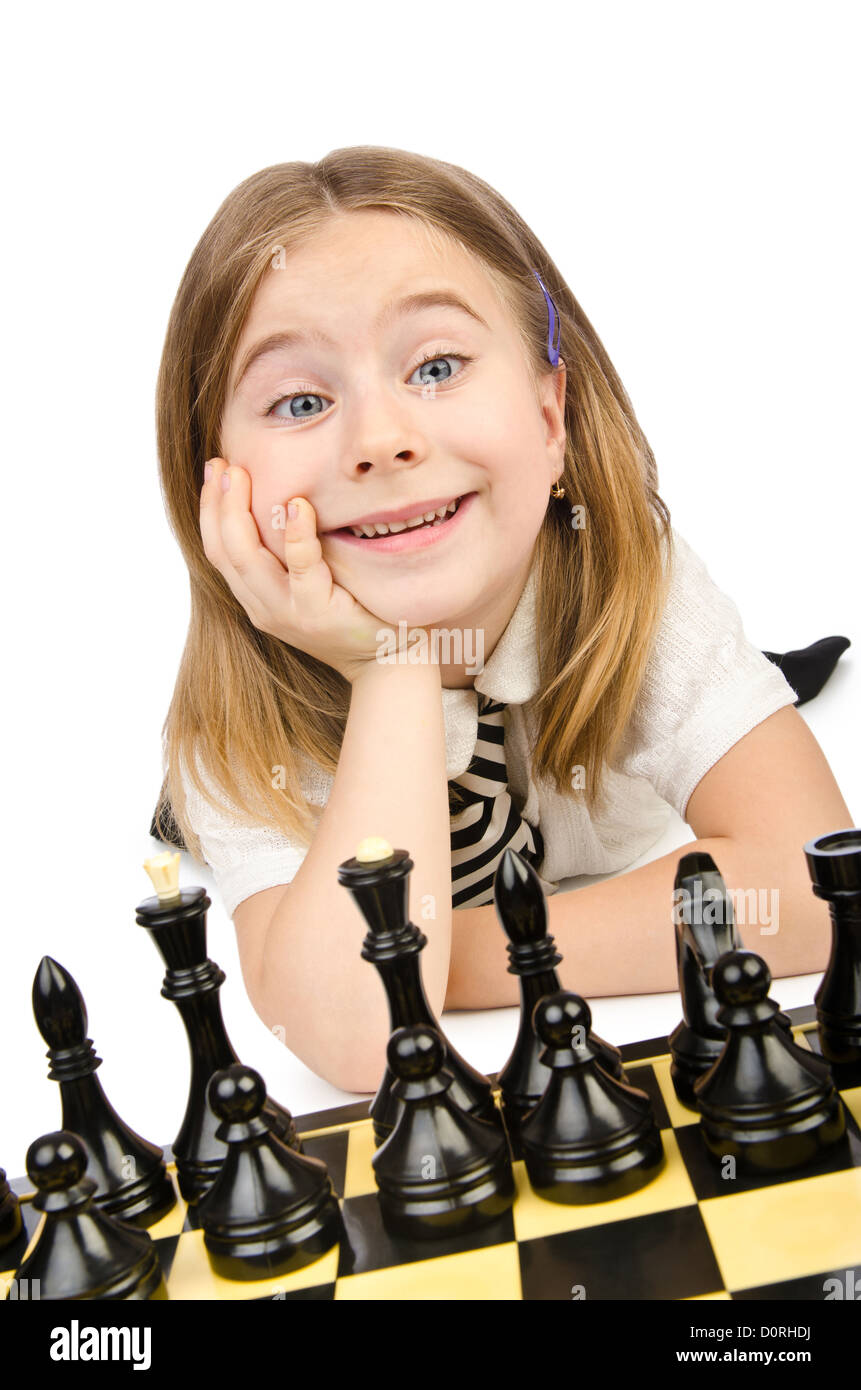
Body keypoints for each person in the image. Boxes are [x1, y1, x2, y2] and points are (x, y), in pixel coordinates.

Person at [150, 146, 852, 1094]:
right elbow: (361, 1037)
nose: (380, 441)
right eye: (302, 401)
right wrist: (389, 667)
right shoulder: (233, 727)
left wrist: (454, 952)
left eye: (437, 365)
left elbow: (813, 897)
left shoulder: (624, 580)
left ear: (550, 413)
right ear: (216, 487)